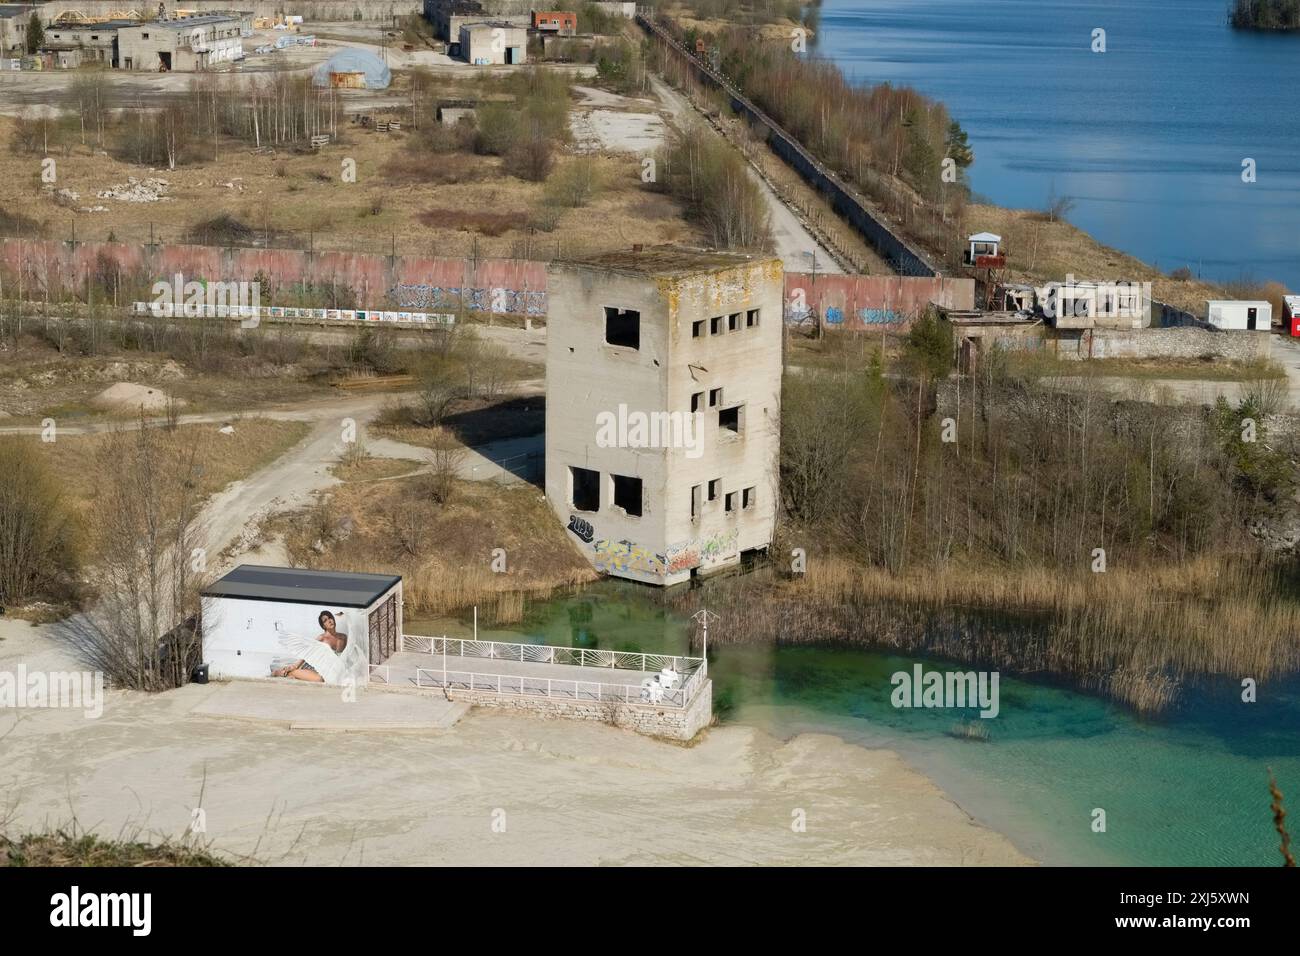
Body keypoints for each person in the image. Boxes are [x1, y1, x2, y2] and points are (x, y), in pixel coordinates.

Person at [273, 610, 349, 682]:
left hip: (331, 669)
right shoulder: (322, 638)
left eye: (330, 618)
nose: (329, 621)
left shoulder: (343, 637)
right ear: (324, 626)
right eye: (325, 620)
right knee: (320, 679)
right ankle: (286, 673)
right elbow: (307, 651)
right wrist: (295, 665)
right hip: (314, 667)